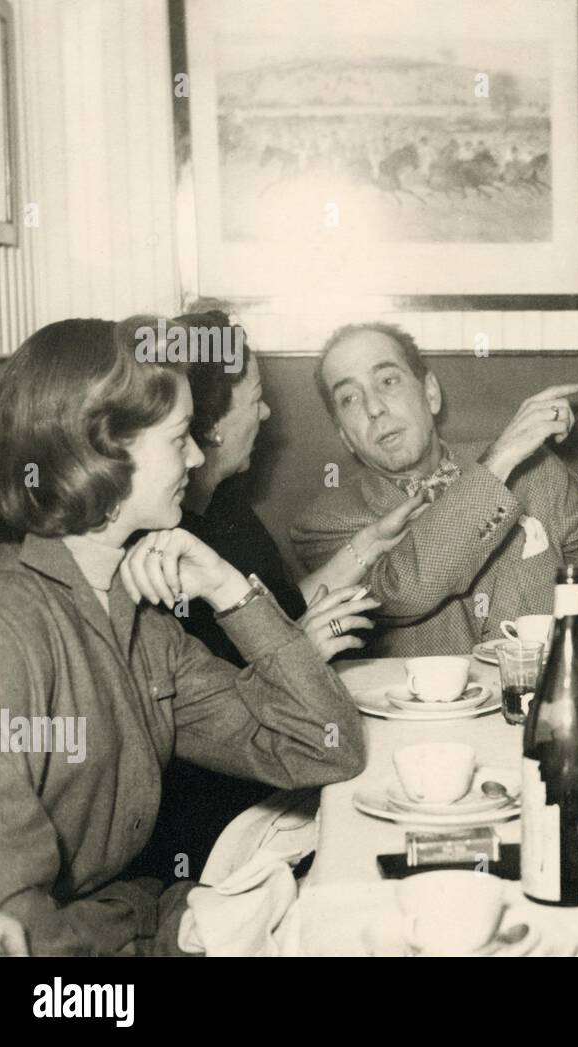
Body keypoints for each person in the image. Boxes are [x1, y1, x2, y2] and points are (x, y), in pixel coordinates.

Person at [0, 319, 365, 955]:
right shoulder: (3, 627)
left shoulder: (138, 619)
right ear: (102, 453)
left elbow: (326, 747)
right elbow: (14, 930)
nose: (195, 456)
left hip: (136, 918)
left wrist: (228, 589)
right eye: (180, 437)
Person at [126, 310, 421, 886]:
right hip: (220, 801)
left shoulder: (225, 507)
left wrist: (367, 546)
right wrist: (300, 647)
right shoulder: (155, 549)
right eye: (255, 399)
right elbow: (225, 686)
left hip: (281, 751)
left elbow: (278, 609)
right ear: (209, 424)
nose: (265, 413)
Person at [291, 322, 578, 656]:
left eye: (388, 381)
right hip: (419, 740)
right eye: (349, 398)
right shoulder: (326, 524)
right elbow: (403, 591)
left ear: (431, 393)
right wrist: (501, 459)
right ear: (344, 437)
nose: (374, 407)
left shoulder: (535, 471)